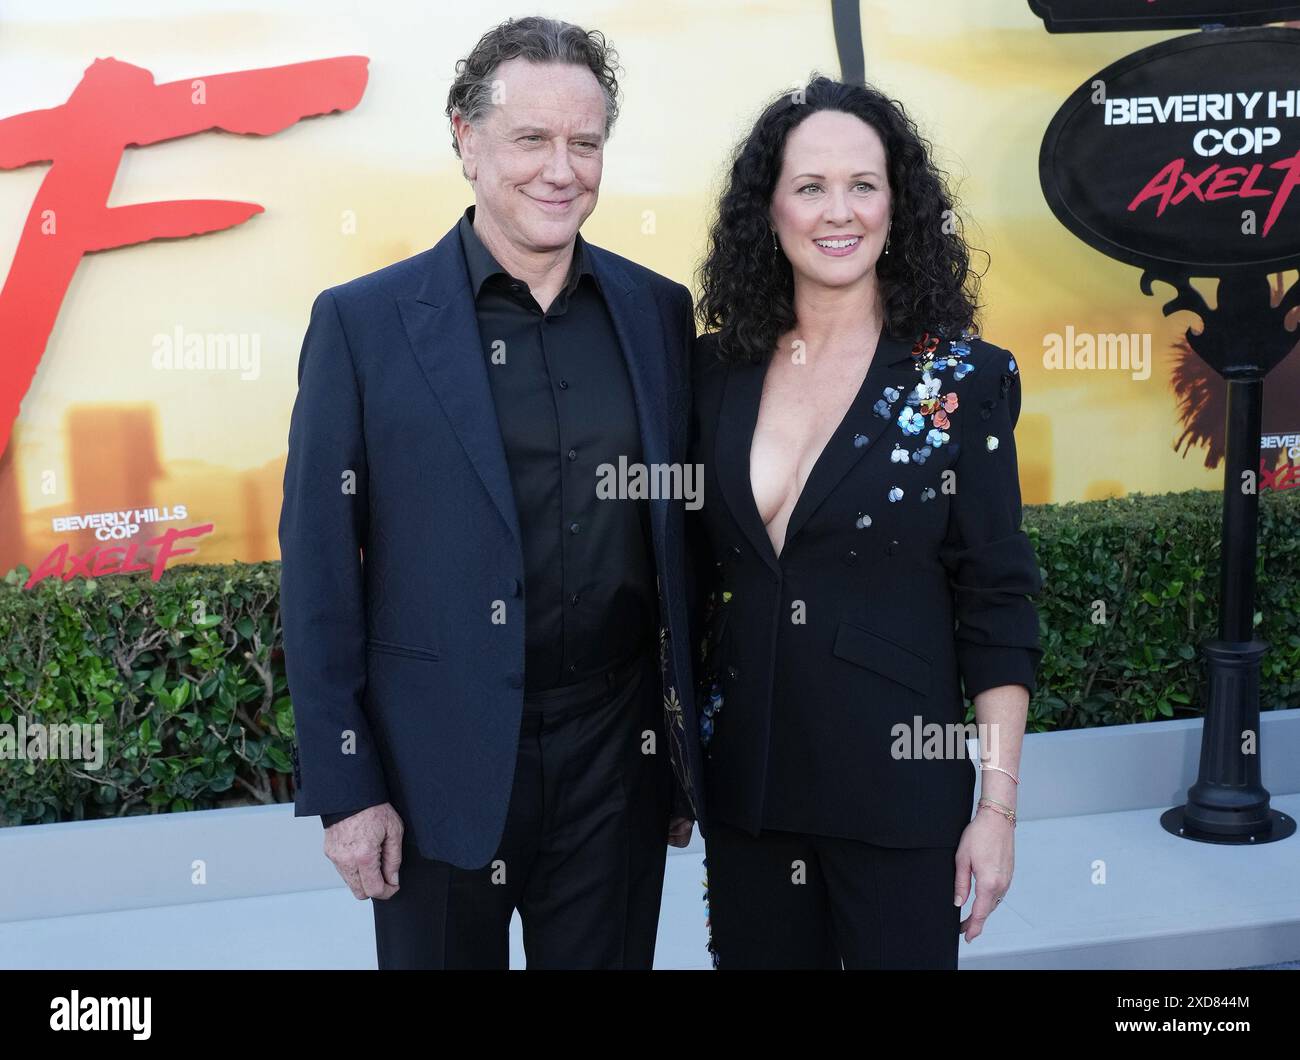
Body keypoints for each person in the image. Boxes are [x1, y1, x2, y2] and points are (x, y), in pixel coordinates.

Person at [279, 15, 702, 969]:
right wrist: (348, 789)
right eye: (531, 139)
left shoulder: (656, 313)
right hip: (433, 772)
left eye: (585, 143)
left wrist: (680, 761)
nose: (561, 170)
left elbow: (685, 544)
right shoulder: (363, 325)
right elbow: (317, 573)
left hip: (615, 760)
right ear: (466, 141)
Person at [687, 76, 1042, 969]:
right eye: (810, 186)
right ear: (768, 209)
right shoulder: (710, 374)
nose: (838, 212)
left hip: (900, 800)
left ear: (898, 205)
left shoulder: (963, 381)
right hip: (748, 794)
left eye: (863, 185)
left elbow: (998, 605)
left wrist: (997, 810)